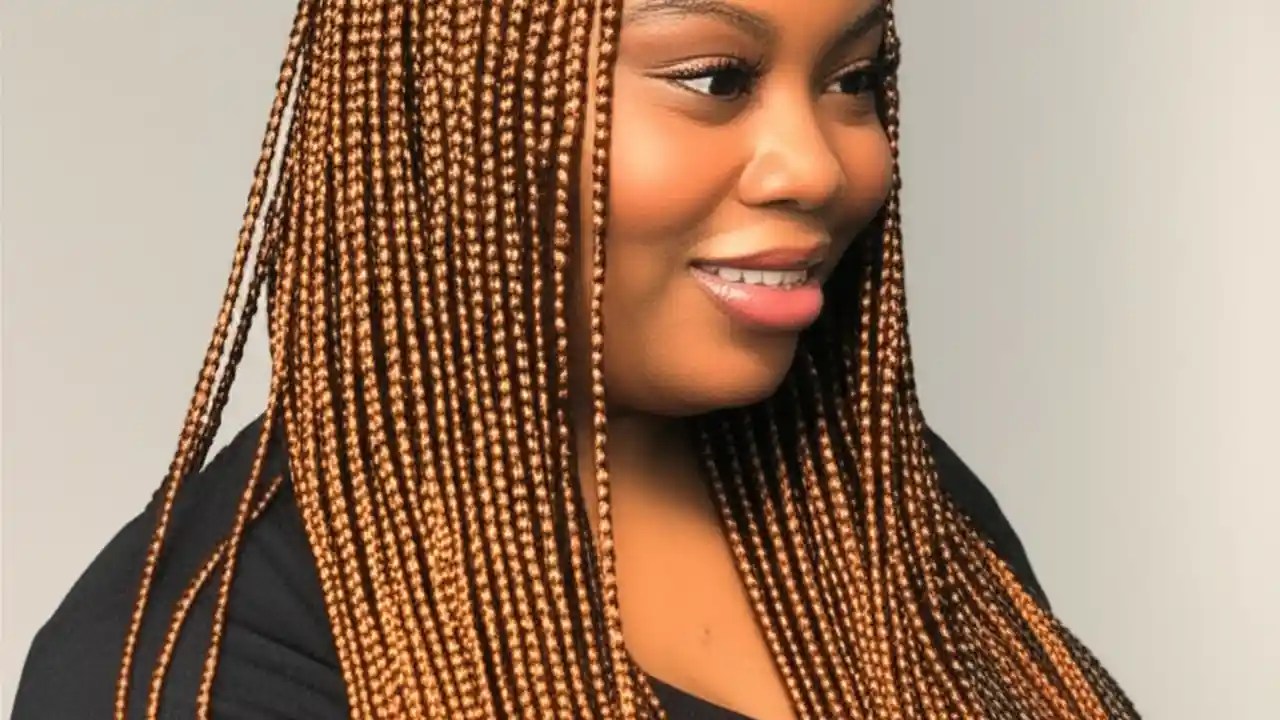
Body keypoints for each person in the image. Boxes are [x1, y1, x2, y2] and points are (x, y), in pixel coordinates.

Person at [13, 0, 1140, 717]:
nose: (819, 165)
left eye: (850, 79)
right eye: (713, 78)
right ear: (455, 101)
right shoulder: (189, 672)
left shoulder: (882, 499)